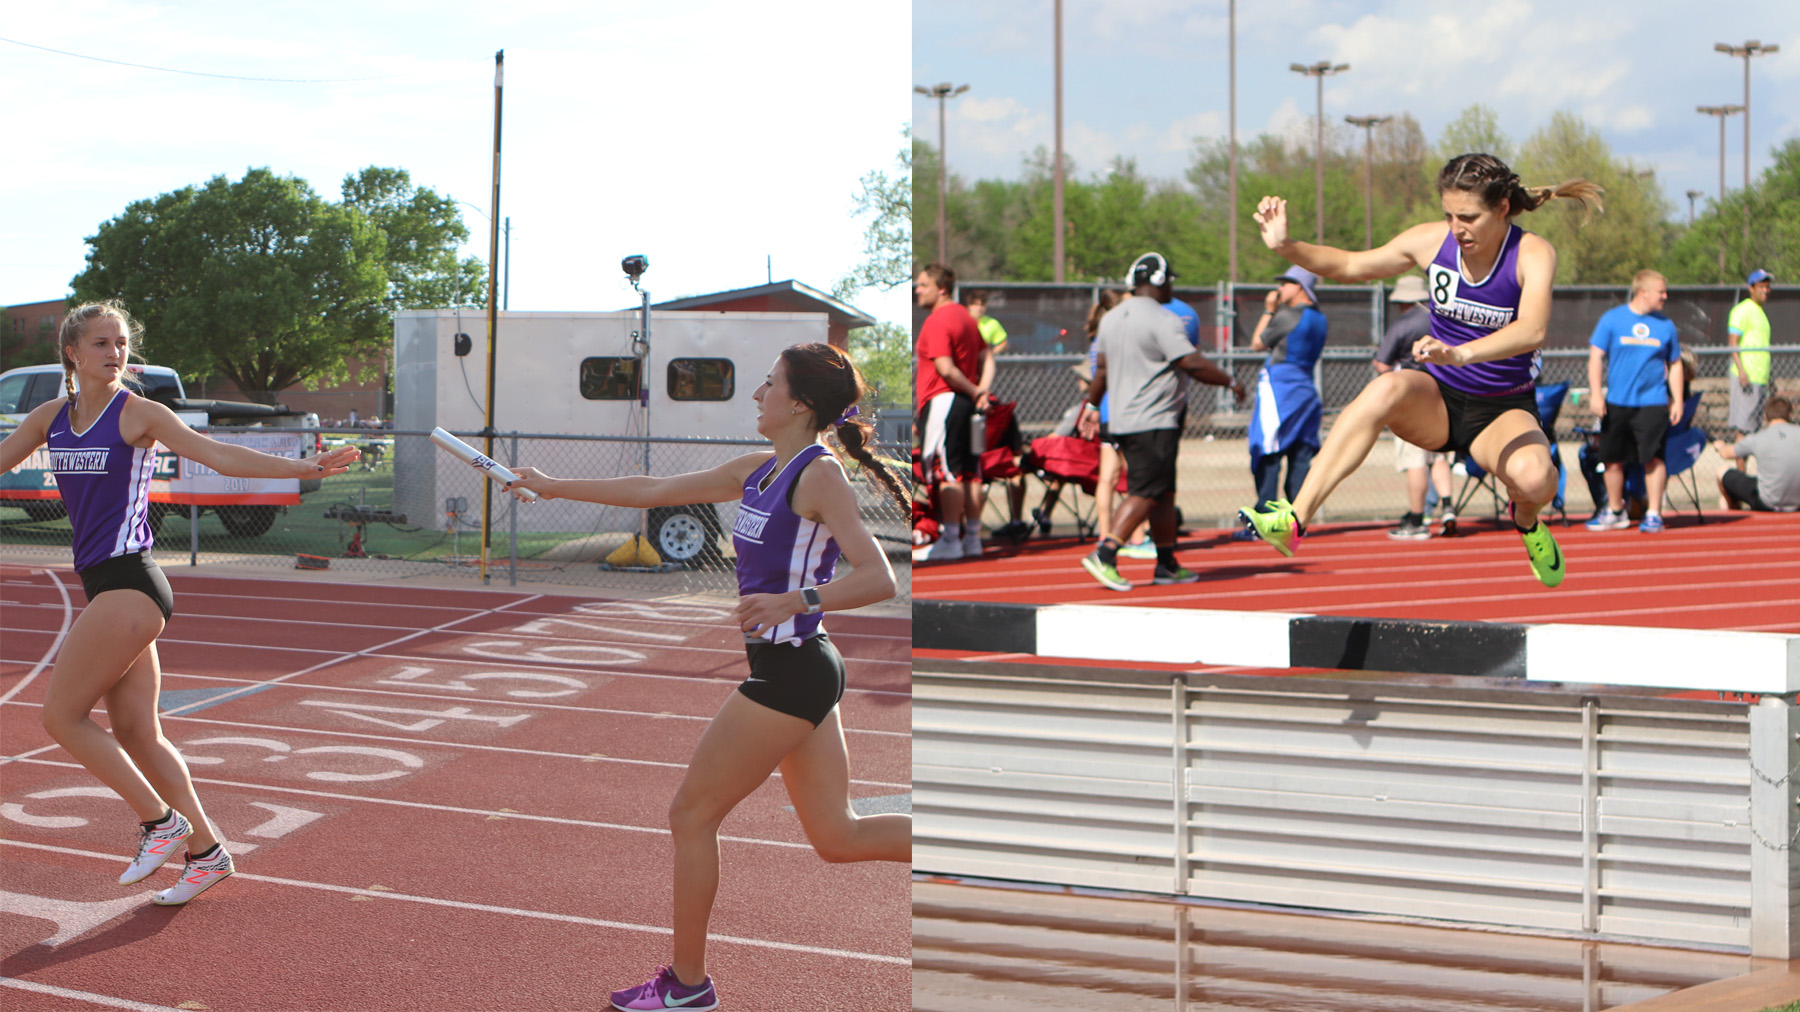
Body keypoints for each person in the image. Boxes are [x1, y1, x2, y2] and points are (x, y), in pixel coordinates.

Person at [504, 343, 912, 1012]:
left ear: (801, 404)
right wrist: (550, 483)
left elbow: (879, 576)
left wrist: (797, 600)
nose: (757, 393)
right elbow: (656, 491)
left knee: (691, 815)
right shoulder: (759, 469)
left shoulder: (820, 476)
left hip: (792, 672)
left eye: (770, 382)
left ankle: (687, 988)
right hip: (798, 669)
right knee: (839, 837)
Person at [0, 301, 360, 905]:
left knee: (60, 717)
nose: (115, 353)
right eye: (100, 343)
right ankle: (207, 852)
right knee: (139, 732)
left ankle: (160, 822)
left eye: (121, 343)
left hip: (131, 584)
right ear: (72, 351)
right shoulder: (50, 417)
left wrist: (301, 467)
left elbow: (217, 455)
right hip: (104, 585)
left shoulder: (138, 413)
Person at [1239, 153, 1602, 588]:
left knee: (1538, 480)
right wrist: (1286, 247)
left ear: (1502, 208)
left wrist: (1461, 353)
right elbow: (1353, 265)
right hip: (1436, 397)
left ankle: (1526, 523)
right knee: (1384, 388)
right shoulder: (1431, 242)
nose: (1457, 229)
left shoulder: (1532, 253)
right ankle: (1294, 519)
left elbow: (1533, 329)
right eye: (1449, 215)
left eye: (1469, 217)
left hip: (1501, 409)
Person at [1079, 252, 1245, 591]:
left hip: (1123, 418)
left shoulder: (1110, 319)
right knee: (1146, 490)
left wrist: (1092, 405)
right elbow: (1192, 362)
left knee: (1164, 492)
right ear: (1157, 281)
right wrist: (1230, 381)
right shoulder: (1163, 318)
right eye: (1169, 279)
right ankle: (1106, 552)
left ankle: (1166, 562)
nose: (1172, 286)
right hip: (1154, 418)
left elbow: (1102, 371)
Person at [1586, 269, 1683, 533]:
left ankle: (1653, 514)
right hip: (1617, 402)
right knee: (1612, 458)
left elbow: (1674, 364)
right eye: (1660, 292)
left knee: (1654, 459)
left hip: (1652, 403)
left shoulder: (1666, 326)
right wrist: (1596, 394)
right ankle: (1616, 511)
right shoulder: (1612, 320)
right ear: (1643, 292)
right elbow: (1596, 357)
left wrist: (1677, 399)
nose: (1665, 296)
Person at [914, 263, 994, 562]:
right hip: (964, 403)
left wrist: (976, 392)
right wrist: (980, 392)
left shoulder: (938, 320)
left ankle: (951, 539)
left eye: (923, 285)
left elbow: (945, 368)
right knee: (970, 472)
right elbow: (988, 358)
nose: (917, 290)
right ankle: (972, 538)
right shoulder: (966, 317)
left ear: (941, 288)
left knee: (946, 471)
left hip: (944, 401)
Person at [1373, 274, 1456, 539]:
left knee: (1415, 460)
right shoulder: (1443, 321)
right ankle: (1448, 508)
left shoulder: (1402, 325)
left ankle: (1418, 519)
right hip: (1443, 395)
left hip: (1413, 399)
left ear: (1403, 301)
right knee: (1439, 456)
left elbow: (1382, 364)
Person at [1243, 265, 1327, 525]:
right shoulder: (1321, 318)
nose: (1280, 289)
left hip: (1280, 387)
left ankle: (1265, 518)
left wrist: (1269, 309)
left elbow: (1257, 343)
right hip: (1306, 388)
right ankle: (1295, 518)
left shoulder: (1288, 315)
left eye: (1286, 283)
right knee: (1300, 453)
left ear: (1300, 287)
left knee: (1266, 449)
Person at [1715, 395, 1800, 513]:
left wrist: (1720, 446)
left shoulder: (1758, 437)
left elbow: (1726, 454)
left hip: (1767, 503)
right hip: (1797, 502)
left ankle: (1734, 510)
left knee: (1722, 472)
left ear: (1765, 417)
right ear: (1789, 415)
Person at [1727, 269, 1775, 440]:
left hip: (1760, 379)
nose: (1765, 290)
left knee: (1753, 429)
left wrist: (1770, 379)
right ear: (1751, 288)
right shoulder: (1742, 310)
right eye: (1761, 286)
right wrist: (1741, 371)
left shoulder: (1761, 313)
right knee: (1744, 429)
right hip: (1747, 378)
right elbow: (1733, 343)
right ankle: (1740, 468)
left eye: (1767, 287)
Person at [967, 290, 1009, 355]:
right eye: (976, 304)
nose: (979, 308)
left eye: (982, 305)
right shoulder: (961, 321)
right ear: (969, 306)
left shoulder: (992, 323)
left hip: (979, 363)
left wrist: (989, 356)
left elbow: (1004, 344)